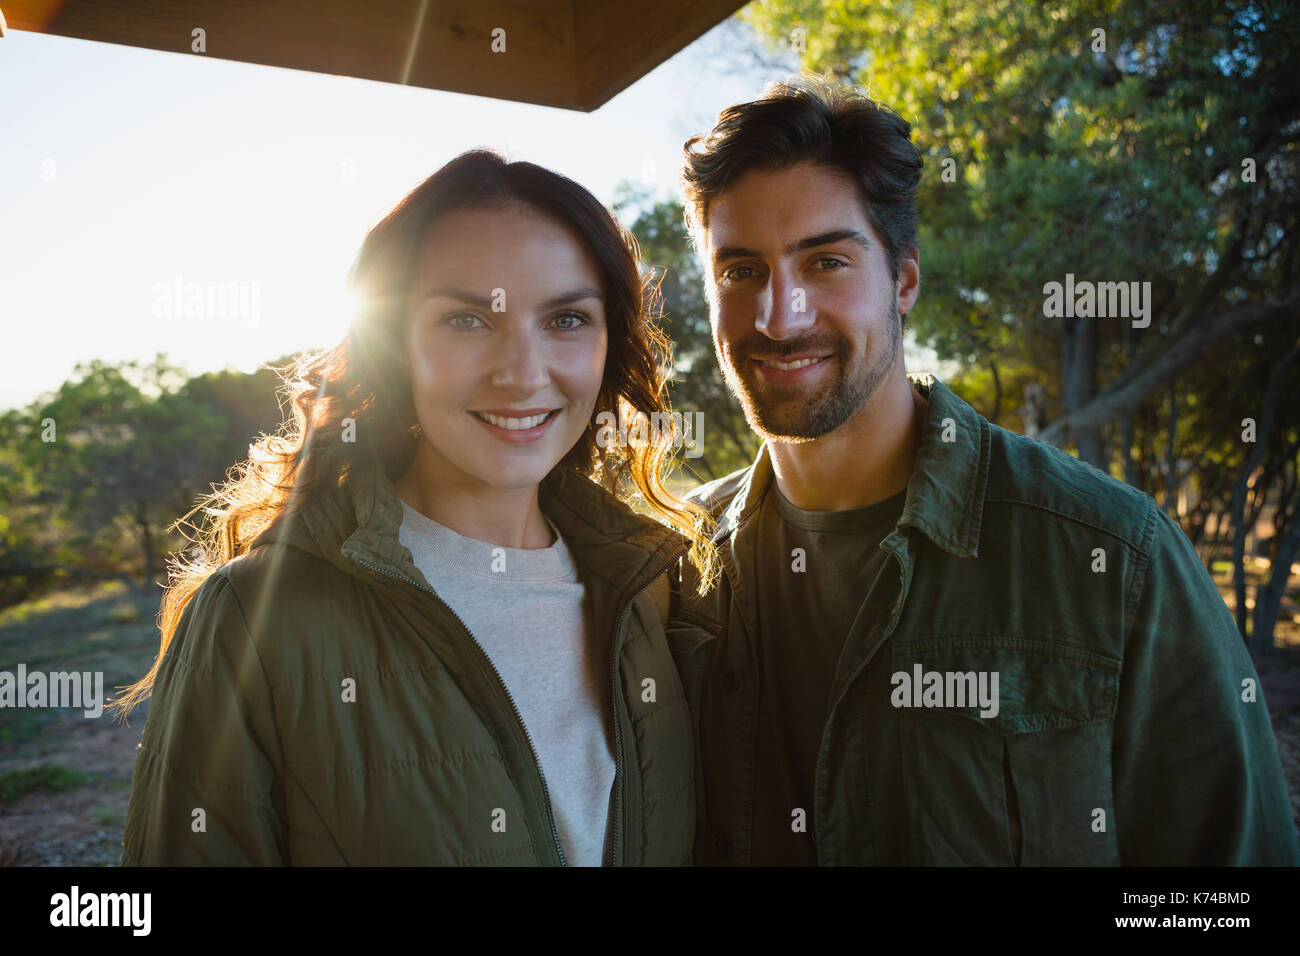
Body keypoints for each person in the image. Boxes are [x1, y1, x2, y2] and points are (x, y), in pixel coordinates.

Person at [672, 77, 1300, 865]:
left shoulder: (1115, 557)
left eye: (826, 261)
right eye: (740, 271)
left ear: (903, 282)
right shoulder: (669, 569)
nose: (780, 315)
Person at [114, 149, 716, 866]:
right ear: (393, 345)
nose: (522, 373)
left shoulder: (651, 589)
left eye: (565, 319)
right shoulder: (254, 618)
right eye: (465, 320)